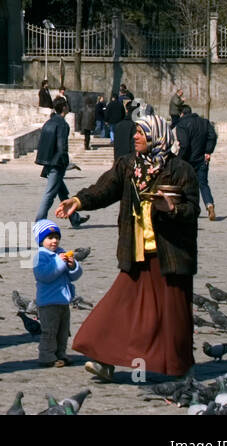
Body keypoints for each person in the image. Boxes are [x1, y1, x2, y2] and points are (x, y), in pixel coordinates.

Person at [55, 115, 199, 382]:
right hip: (136, 252)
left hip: (171, 253)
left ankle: (178, 366)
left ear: (157, 136)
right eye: (135, 132)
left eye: (141, 133)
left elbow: (192, 210)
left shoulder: (181, 170)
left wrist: (172, 208)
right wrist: (79, 200)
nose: (135, 137)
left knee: (173, 316)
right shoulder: (128, 165)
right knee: (118, 308)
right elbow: (105, 188)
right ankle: (104, 360)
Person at [32, 219, 83, 367]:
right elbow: (44, 275)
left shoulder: (61, 253)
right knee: (49, 331)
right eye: (50, 238)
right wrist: (60, 263)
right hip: (48, 302)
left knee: (63, 331)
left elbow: (75, 276)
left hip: (64, 301)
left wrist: (73, 266)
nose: (54, 241)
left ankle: (61, 354)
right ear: (41, 240)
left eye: (57, 237)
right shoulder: (40, 256)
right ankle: (47, 356)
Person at [35, 97, 88, 228]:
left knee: (63, 192)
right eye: (67, 104)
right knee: (50, 194)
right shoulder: (62, 124)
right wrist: (65, 162)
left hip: (48, 161)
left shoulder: (49, 122)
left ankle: (74, 218)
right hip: (56, 163)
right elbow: (61, 146)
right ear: (64, 107)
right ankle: (39, 221)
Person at [175, 104, 217, 221]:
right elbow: (212, 136)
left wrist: (179, 159)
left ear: (181, 114)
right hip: (202, 158)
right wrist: (208, 151)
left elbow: (184, 144)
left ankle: (192, 209)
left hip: (188, 160)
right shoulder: (204, 122)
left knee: (187, 186)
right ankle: (209, 204)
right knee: (203, 183)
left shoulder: (182, 124)